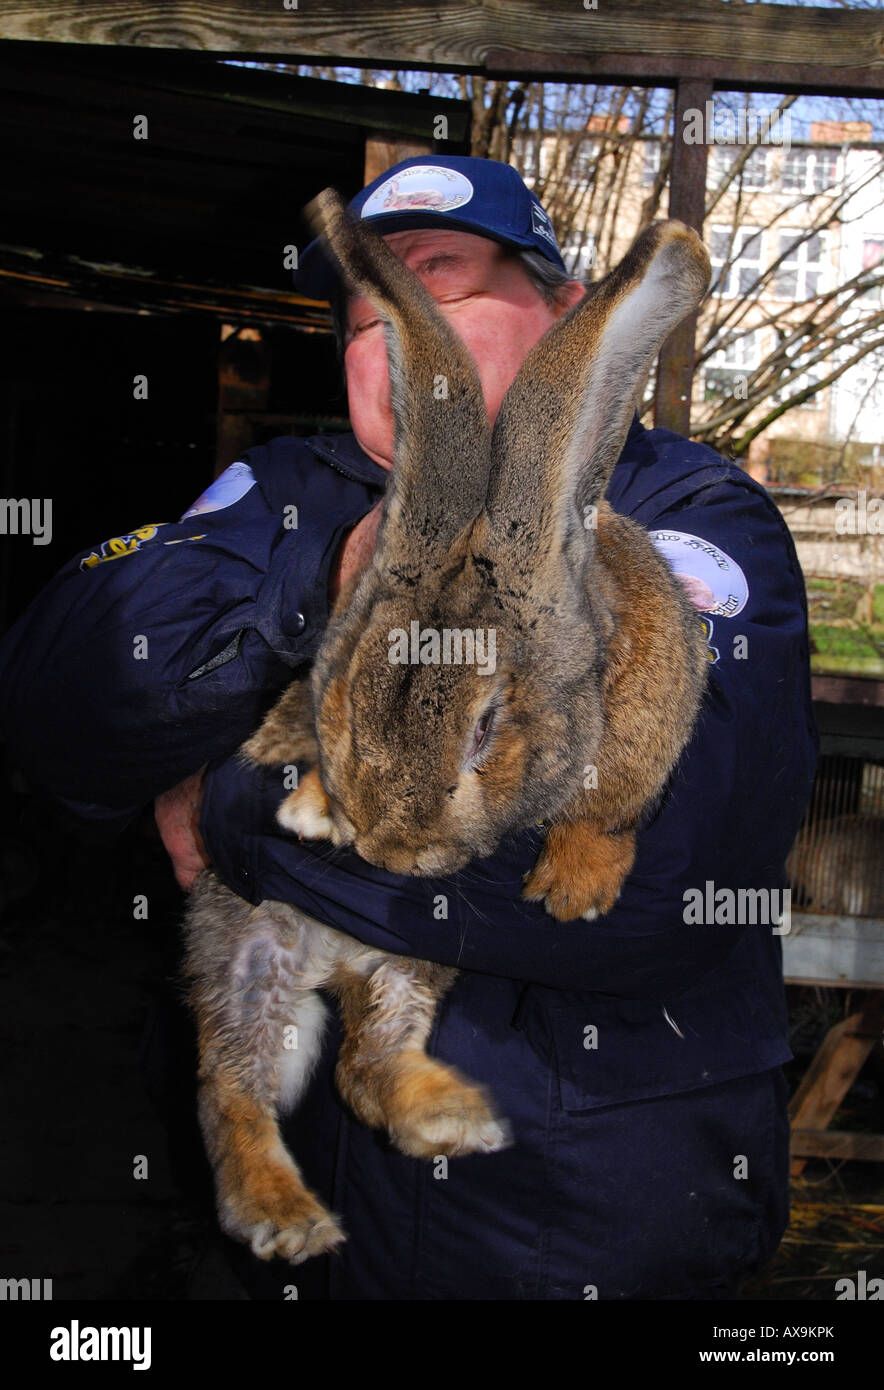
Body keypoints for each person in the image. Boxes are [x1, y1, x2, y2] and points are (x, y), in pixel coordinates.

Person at [0, 155, 817, 1301]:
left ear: (564, 316)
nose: (391, 337)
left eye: (441, 288)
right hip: (303, 1224)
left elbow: (656, 880)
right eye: (360, 317)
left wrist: (232, 802)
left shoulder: (685, 517)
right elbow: (59, 706)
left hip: (560, 1230)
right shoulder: (290, 491)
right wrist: (318, 583)